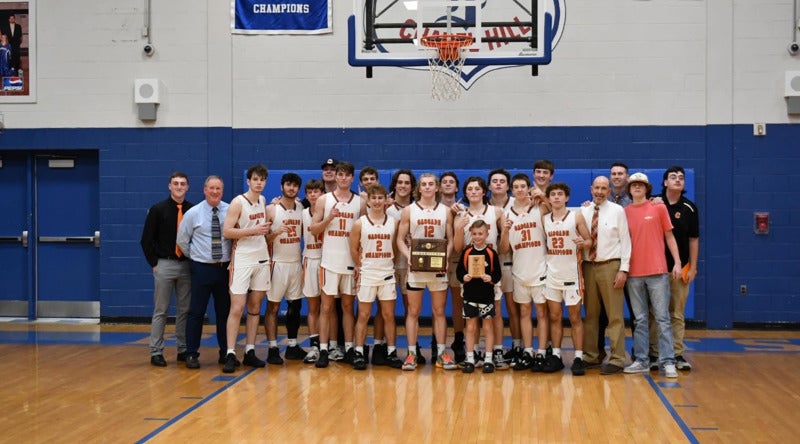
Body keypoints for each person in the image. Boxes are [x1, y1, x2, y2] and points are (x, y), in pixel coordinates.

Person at [622, 172, 682, 379]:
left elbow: (669, 236)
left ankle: (668, 361)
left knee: (662, 318)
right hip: (633, 273)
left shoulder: (658, 207)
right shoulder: (625, 212)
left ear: (647, 188)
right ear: (629, 189)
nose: (637, 187)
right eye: (634, 185)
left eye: (641, 185)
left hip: (657, 272)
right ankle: (641, 360)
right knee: (639, 320)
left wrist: (677, 262)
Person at [396, 173, 458, 371]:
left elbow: (450, 239)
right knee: (413, 311)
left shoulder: (446, 211)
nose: (428, 187)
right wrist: (409, 257)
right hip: (416, 268)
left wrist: (446, 258)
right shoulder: (408, 210)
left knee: (439, 311)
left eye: (432, 184)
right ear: (419, 188)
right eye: (424, 184)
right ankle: (412, 353)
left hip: (438, 269)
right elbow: (399, 239)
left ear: (437, 188)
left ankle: (441, 353)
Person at [309, 161, 363, 368]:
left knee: (348, 307)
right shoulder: (324, 200)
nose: (342, 178)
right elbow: (313, 229)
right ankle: (324, 349)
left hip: (350, 262)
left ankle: (349, 348)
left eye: (346, 175)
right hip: (329, 261)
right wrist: (328, 219)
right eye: (339, 174)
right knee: (327, 307)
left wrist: (360, 261)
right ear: (336, 177)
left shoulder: (360, 202)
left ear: (351, 178)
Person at [176, 175, 233, 369]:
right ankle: (191, 353)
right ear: (204, 190)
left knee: (224, 313)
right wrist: (195, 257)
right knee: (196, 312)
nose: (215, 192)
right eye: (211, 188)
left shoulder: (230, 210)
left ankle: (226, 353)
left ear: (222, 191)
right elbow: (182, 240)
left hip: (224, 269)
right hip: (201, 268)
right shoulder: (193, 213)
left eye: (218, 188)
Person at [452, 176, 508, 369]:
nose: (474, 192)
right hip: (470, 274)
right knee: (472, 319)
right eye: (470, 189)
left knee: (494, 315)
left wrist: (507, 232)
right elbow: (458, 248)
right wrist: (459, 229)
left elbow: (504, 247)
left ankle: (496, 352)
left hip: (489, 272)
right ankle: (473, 351)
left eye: (477, 188)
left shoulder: (497, 212)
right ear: (465, 193)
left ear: (484, 192)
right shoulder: (460, 215)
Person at [221, 165, 271, 373]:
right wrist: (253, 230)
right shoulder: (237, 202)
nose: (259, 183)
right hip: (242, 259)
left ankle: (250, 350)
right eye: (256, 179)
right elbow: (227, 231)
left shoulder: (263, 200)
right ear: (248, 181)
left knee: (255, 307)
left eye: (262, 179)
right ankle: (230, 353)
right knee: (237, 307)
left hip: (261, 258)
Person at [648, 166, 699, 371]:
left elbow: (694, 239)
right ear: (665, 182)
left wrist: (693, 267)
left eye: (681, 178)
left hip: (680, 269)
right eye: (673, 177)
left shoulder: (690, 208)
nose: (678, 180)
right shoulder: (653, 203)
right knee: (653, 312)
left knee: (676, 313)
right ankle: (654, 353)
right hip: (655, 268)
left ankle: (677, 353)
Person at [579, 176, 631, 375]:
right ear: (591, 189)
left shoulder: (618, 211)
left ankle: (617, 358)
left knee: (614, 316)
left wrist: (623, 269)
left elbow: (625, 241)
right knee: (591, 315)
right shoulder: (583, 211)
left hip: (611, 265)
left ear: (609, 191)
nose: (599, 192)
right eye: (596, 188)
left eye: (604, 188)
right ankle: (591, 355)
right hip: (589, 266)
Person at [349, 184, 404, 370]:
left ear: (385, 200)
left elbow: (395, 250)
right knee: (363, 315)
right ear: (369, 200)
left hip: (387, 273)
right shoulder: (360, 223)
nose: (377, 201)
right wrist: (361, 265)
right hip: (367, 273)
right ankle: (358, 352)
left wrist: (388, 263)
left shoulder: (393, 223)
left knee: (388, 315)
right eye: (374, 198)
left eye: (381, 198)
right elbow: (353, 248)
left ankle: (391, 352)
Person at [140, 172, 192, 367]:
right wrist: (154, 263)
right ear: (169, 186)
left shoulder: (193, 210)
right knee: (161, 310)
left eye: (183, 184)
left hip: (186, 265)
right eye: (175, 183)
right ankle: (156, 351)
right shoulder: (158, 209)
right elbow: (146, 240)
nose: (179, 187)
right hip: (165, 264)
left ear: (187, 187)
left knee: (184, 310)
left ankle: (183, 349)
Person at [542, 182, 592, 375]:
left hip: (572, 274)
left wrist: (583, 242)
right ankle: (556, 355)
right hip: (552, 275)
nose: (556, 197)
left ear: (567, 197)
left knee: (574, 318)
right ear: (549, 198)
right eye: (552, 194)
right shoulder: (545, 218)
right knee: (554, 317)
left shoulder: (576, 216)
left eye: (560, 194)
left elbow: (589, 241)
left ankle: (578, 356)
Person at [498, 174, 548, 371]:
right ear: (511, 190)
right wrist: (504, 232)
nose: (519, 189)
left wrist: (542, 196)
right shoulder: (505, 213)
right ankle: (527, 350)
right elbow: (503, 249)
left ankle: (542, 351)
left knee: (542, 313)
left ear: (529, 188)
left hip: (540, 268)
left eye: (523, 186)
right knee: (524, 312)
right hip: (519, 269)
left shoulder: (538, 207)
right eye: (516, 187)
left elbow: (554, 213)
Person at [264, 173, 305, 365]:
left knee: (295, 306)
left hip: (295, 263)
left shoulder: (302, 208)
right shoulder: (271, 210)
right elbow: (262, 239)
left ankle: (292, 346)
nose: (291, 188)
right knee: (273, 306)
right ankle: (272, 348)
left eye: (295, 185)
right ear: (281, 187)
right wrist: (275, 233)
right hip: (277, 263)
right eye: (288, 184)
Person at [378, 169, 417, 366]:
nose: (403, 186)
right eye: (400, 182)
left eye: (407, 183)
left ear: (412, 186)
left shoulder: (417, 208)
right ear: (394, 185)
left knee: (412, 309)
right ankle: (383, 347)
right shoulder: (386, 207)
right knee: (385, 310)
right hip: (389, 264)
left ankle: (412, 348)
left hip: (410, 265)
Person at [456, 220, 503, 374]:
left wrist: (491, 279)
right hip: (469, 295)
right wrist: (465, 277)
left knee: (488, 327)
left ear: (487, 234)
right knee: (470, 327)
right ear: (471, 234)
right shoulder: (467, 252)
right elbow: (459, 272)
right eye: (474, 234)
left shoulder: (491, 253)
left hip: (486, 296)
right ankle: (470, 359)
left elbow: (497, 274)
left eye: (480, 234)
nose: (477, 237)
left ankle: (488, 359)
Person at [487, 168, 521, 366]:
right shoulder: (483, 206)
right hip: (488, 263)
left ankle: (517, 346)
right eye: (494, 181)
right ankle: (493, 348)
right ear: (489, 186)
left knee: (512, 307)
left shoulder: (517, 204)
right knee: (493, 310)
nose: (498, 184)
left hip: (511, 260)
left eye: (502, 181)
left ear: (508, 186)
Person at [439, 171, 467, 363]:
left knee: (458, 304)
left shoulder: (463, 209)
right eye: (445, 182)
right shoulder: (431, 207)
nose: (448, 184)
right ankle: (437, 343)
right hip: (436, 260)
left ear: (457, 188)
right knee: (437, 306)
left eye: (451, 182)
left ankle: (458, 341)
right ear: (440, 187)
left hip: (457, 259)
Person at [301, 179, 325, 364]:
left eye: (316, 191)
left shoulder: (328, 211)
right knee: (313, 306)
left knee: (328, 307)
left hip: (327, 260)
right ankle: (314, 345)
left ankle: (329, 345)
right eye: (309, 192)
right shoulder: (302, 213)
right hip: (310, 259)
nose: (313, 195)